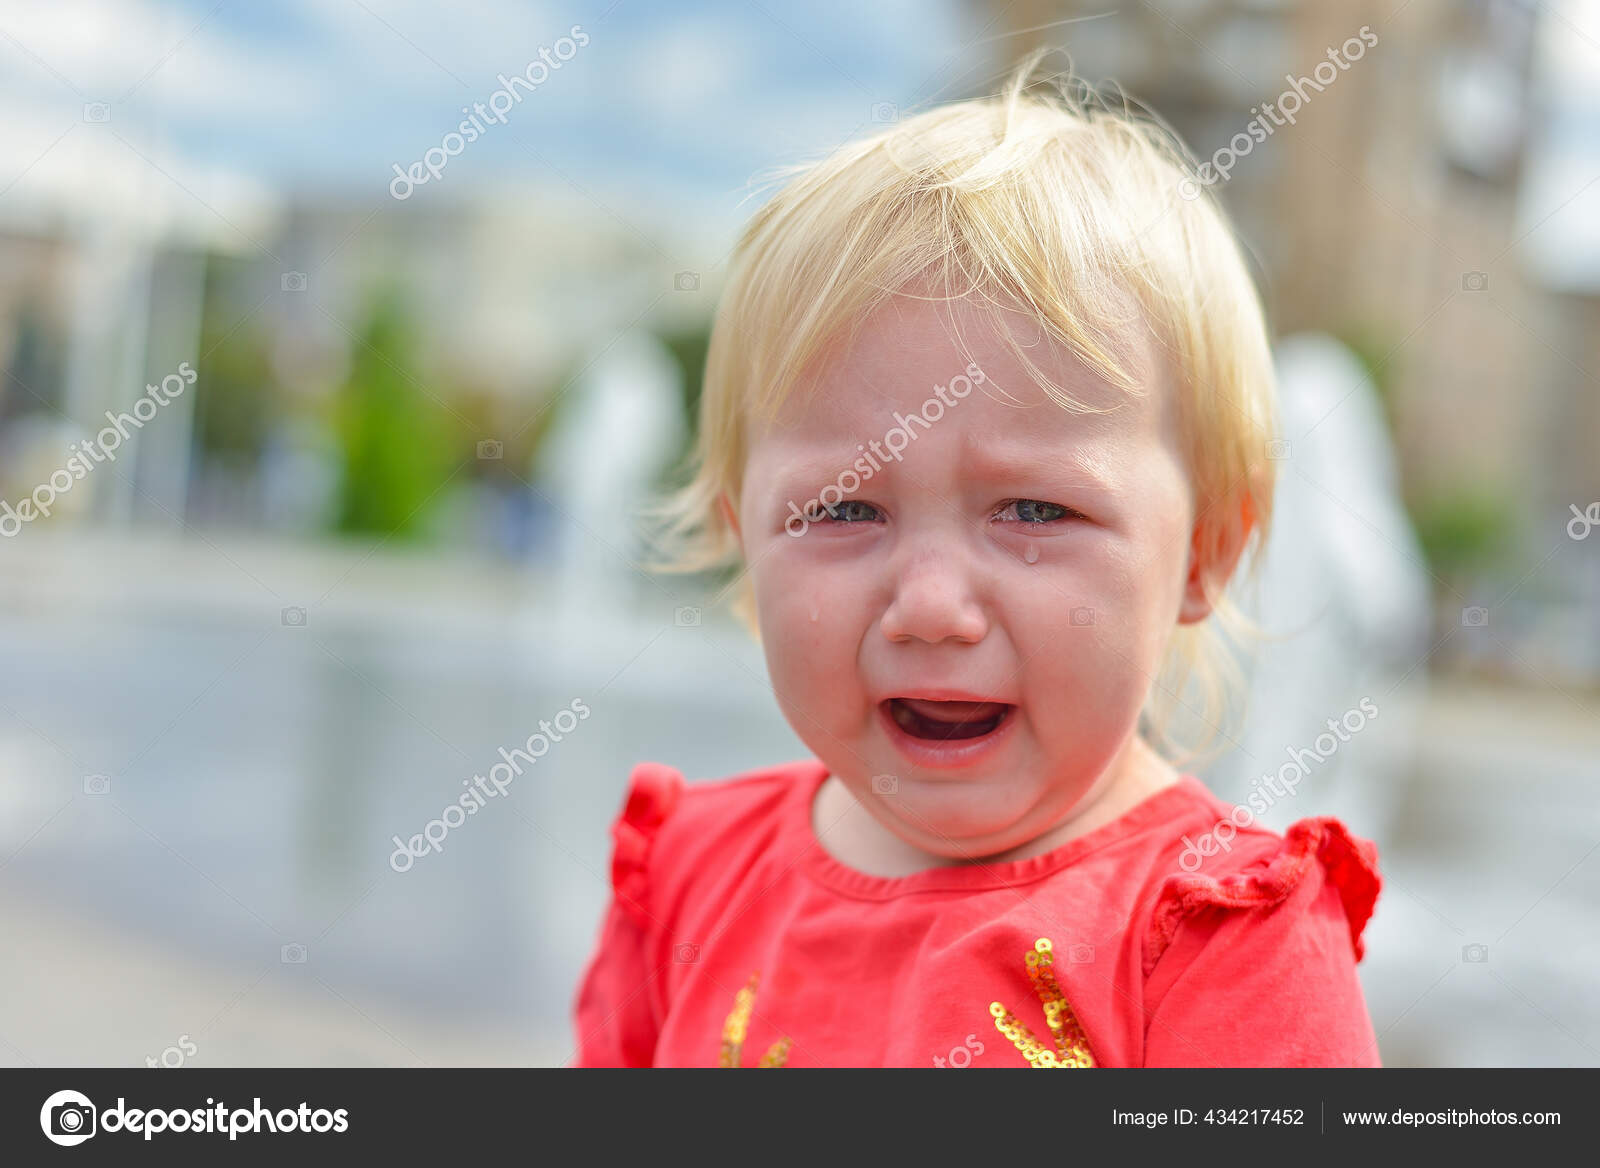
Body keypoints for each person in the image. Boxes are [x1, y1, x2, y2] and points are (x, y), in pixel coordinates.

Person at [569, 55, 1382, 1068]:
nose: (931, 607)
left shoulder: (1211, 941)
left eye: (1034, 509)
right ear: (742, 531)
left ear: (1204, 552)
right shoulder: (690, 880)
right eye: (844, 507)